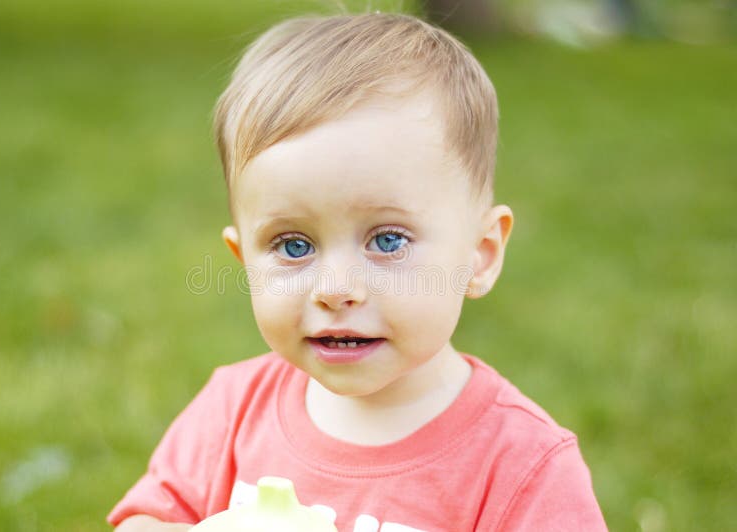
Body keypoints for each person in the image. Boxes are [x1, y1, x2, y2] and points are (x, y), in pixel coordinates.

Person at [108, 11, 607, 532]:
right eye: (294, 245)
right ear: (245, 263)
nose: (336, 290)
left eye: (387, 240)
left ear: (479, 255)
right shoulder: (232, 410)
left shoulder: (520, 465)